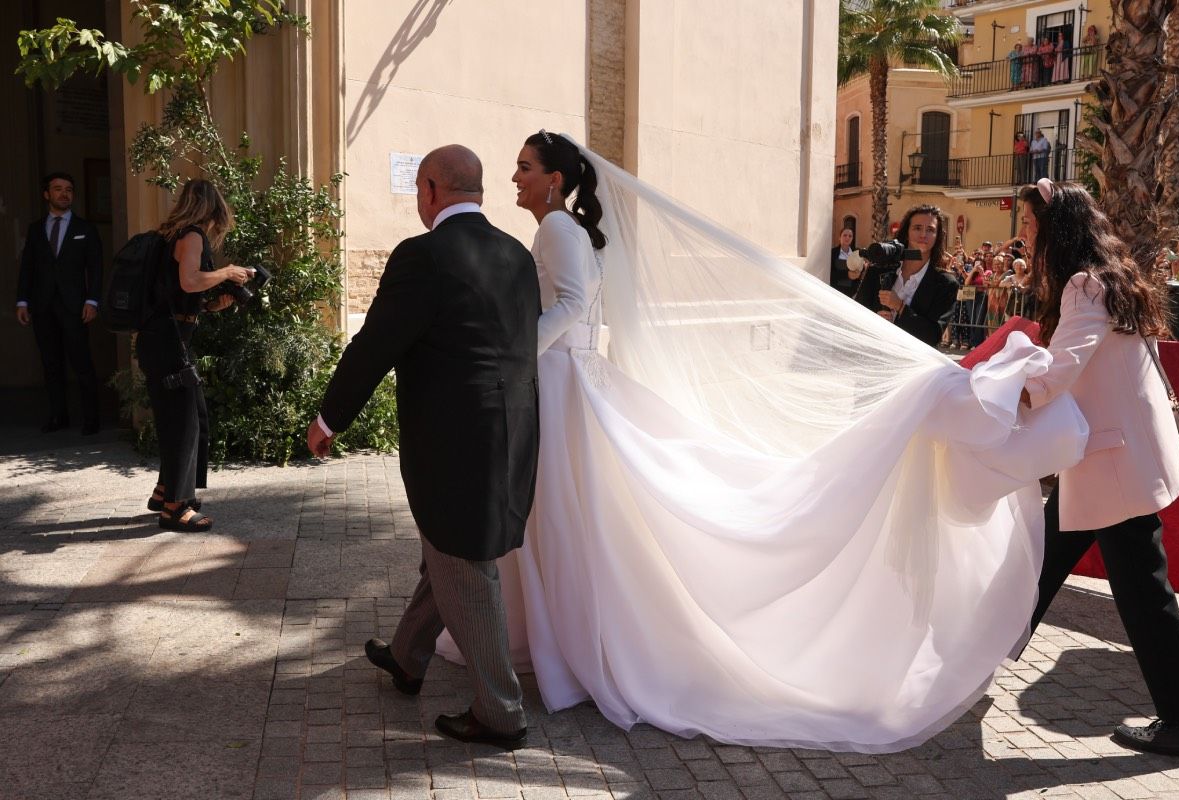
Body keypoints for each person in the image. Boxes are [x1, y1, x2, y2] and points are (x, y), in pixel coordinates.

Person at [426, 132, 1088, 753]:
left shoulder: (557, 227)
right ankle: (512, 633)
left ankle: (558, 641)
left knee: (572, 514)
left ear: (554, 181)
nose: (514, 176)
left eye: (524, 166)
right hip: (562, 375)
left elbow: (571, 305)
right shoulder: (560, 226)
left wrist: (518, 349)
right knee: (556, 514)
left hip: (560, 374)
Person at [308, 144, 540, 751]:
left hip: (455, 441)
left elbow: (375, 345)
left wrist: (330, 418)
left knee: (464, 566)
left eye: (419, 191)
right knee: (448, 553)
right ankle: (408, 659)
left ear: (432, 190)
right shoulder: (516, 253)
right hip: (513, 433)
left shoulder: (423, 256)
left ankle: (501, 713)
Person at [1017, 178, 1179, 758]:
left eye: (1030, 225)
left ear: (1057, 231)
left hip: (1112, 462)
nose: (1024, 235)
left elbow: (1056, 373)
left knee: (1144, 590)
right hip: (1109, 457)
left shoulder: (1083, 285)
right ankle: (978, 660)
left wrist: (994, 390)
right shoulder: (1108, 279)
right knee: (1039, 562)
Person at [139, 179, 251, 532]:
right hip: (168, 343)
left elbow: (183, 295)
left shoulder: (170, 236)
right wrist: (228, 272)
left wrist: (220, 301)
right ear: (213, 207)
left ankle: (165, 491)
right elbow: (189, 281)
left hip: (163, 339)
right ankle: (174, 508)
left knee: (188, 417)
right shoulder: (191, 236)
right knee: (184, 423)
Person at [15, 172, 103, 435]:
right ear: (47, 194)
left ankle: (91, 419)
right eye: (58, 189)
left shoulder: (84, 229)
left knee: (82, 362)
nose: (64, 194)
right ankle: (58, 416)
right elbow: (27, 268)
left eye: (69, 190)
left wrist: (92, 300)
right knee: (51, 364)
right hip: (42, 306)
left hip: (75, 306)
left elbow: (96, 268)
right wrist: (22, 301)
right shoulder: (35, 229)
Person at [851, 205, 959, 348]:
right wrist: (875, 321)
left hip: (916, 363)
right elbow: (856, 317)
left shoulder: (945, 284)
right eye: (917, 228)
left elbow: (932, 336)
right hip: (875, 355)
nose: (923, 235)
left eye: (930, 230)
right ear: (907, 232)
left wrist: (900, 307)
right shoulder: (877, 271)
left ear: (937, 236)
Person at [829, 226, 858, 296]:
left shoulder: (856, 253)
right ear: (839, 238)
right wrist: (847, 274)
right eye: (845, 235)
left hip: (852, 293)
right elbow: (829, 273)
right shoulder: (832, 253)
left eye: (850, 236)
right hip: (835, 292)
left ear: (852, 239)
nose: (847, 238)